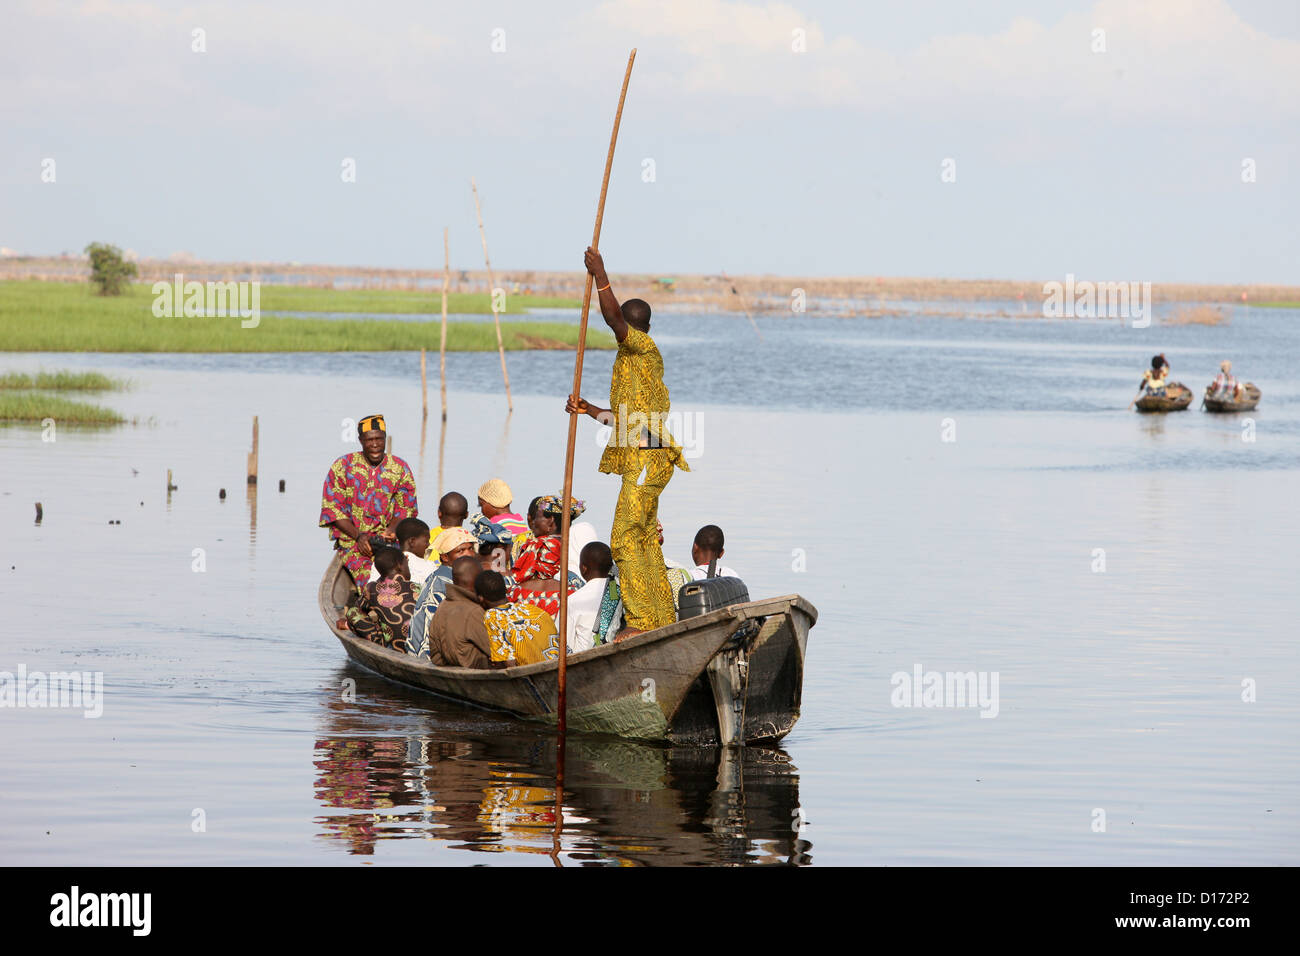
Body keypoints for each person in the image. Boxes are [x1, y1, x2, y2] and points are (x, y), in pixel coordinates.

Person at [565, 247, 689, 640]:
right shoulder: (633, 363)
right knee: (643, 538)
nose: (617, 332)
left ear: (637, 330)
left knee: (622, 539)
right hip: (649, 459)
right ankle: (659, 617)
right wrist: (588, 410)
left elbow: (613, 317)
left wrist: (600, 273)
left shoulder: (642, 348)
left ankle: (639, 623)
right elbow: (625, 419)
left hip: (647, 460)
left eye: (623, 328)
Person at [319, 413, 418, 586]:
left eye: (379, 439)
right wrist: (359, 536)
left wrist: (390, 531)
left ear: (385, 438)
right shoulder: (343, 466)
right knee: (370, 580)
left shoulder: (400, 468)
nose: (375, 445)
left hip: (388, 541)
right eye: (369, 439)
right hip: (353, 540)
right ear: (360, 440)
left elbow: (406, 509)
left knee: (403, 575)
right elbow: (332, 509)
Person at [510, 494, 585, 619]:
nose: (533, 522)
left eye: (537, 517)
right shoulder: (578, 542)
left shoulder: (534, 544)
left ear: (550, 521)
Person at [409, 527, 478, 660]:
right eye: (461, 550)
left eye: (471, 549)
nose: (469, 554)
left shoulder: (447, 575)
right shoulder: (444, 582)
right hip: (428, 655)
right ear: (445, 557)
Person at [478, 570, 560, 667]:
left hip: (530, 676)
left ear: (480, 599)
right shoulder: (534, 609)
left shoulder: (492, 616)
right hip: (556, 668)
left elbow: (509, 663)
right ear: (505, 590)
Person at [345, 547, 417, 653]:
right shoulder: (416, 587)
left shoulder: (371, 589)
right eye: (407, 563)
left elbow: (357, 610)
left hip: (394, 646)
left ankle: (379, 642)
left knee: (352, 612)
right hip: (417, 643)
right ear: (399, 565)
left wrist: (348, 625)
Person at [429, 556, 493, 669]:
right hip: (474, 677)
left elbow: (435, 654)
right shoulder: (474, 612)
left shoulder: (442, 607)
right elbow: (497, 651)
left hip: (447, 675)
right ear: (478, 580)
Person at [565, 541, 624, 654]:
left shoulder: (573, 600)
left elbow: (565, 643)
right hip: (618, 655)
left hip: (583, 663)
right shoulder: (623, 592)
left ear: (583, 568)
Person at [367, 517, 437, 588]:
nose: (429, 545)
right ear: (412, 541)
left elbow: (370, 587)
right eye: (427, 541)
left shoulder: (382, 562)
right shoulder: (429, 566)